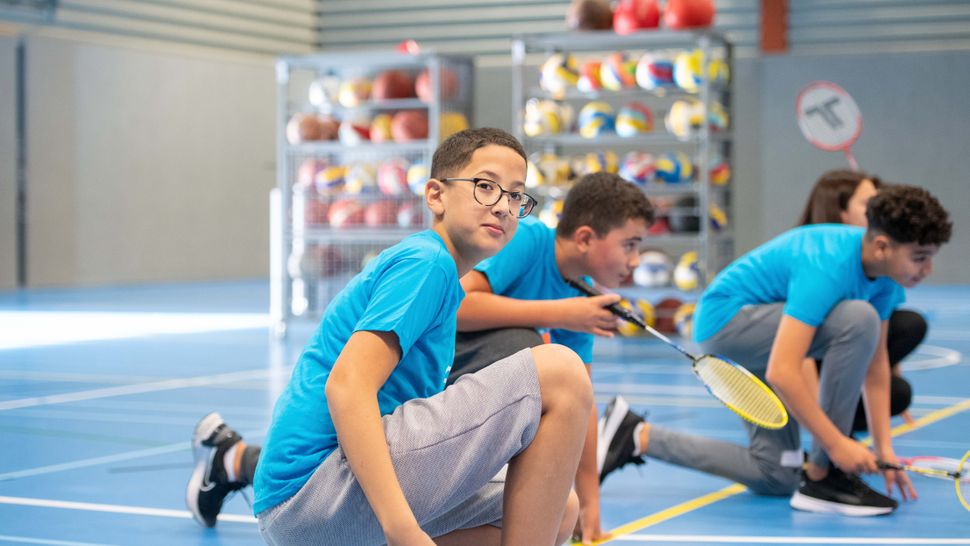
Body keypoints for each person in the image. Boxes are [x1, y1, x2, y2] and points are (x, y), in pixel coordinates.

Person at [187, 171, 654, 545]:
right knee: (544, 361)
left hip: (382, 443)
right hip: (331, 472)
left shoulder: (581, 300)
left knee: (559, 509)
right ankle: (239, 461)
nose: (501, 206)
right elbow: (458, 311)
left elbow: (582, 406)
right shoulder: (467, 257)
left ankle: (233, 460)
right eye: (485, 187)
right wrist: (403, 530)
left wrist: (590, 505)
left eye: (515, 196)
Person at [599, 184, 951, 517]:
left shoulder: (885, 280)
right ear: (882, 247)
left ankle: (635, 435)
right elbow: (783, 370)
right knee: (859, 319)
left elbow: (876, 367)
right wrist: (835, 446)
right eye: (919, 258)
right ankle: (823, 477)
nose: (927, 269)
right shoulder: (829, 265)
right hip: (728, 322)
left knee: (776, 474)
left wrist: (885, 451)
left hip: (766, 331)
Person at [798, 169, 927, 430]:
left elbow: (881, 342)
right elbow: (799, 356)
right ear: (840, 211)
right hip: (794, 363)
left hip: (841, 349)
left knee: (898, 389)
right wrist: (827, 434)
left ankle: (844, 407)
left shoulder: (880, 260)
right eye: (869, 205)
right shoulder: (817, 260)